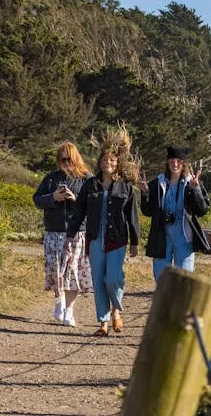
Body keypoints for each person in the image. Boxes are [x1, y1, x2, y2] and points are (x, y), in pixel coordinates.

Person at [66, 126, 140, 336]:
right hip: (95, 239)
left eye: (112, 161)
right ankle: (103, 323)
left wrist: (135, 242)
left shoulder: (125, 187)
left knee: (113, 278)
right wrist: (70, 235)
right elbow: (79, 211)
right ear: (100, 163)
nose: (108, 163)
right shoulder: (90, 185)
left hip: (117, 239)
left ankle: (116, 311)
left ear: (118, 164)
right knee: (98, 281)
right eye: (105, 160)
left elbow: (132, 216)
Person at [32, 142, 92, 327]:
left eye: (70, 159)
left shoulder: (86, 179)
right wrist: (53, 198)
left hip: (76, 232)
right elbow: (37, 199)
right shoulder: (51, 179)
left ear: (76, 159)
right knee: (56, 271)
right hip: (54, 231)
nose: (66, 163)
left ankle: (70, 311)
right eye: (62, 159)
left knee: (73, 271)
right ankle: (59, 301)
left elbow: (94, 205)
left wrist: (76, 200)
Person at [139, 145, 211, 282]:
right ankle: (164, 303)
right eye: (171, 161)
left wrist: (195, 190)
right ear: (167, 164)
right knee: (161, 278)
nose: (175, 164)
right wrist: (145, 193)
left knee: (184, 279)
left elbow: (202, 210)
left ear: (184, 164)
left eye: (178, 161)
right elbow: (147, 211)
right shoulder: (157, 183)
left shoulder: (192, 183)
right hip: (162, 237)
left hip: (184, 238)